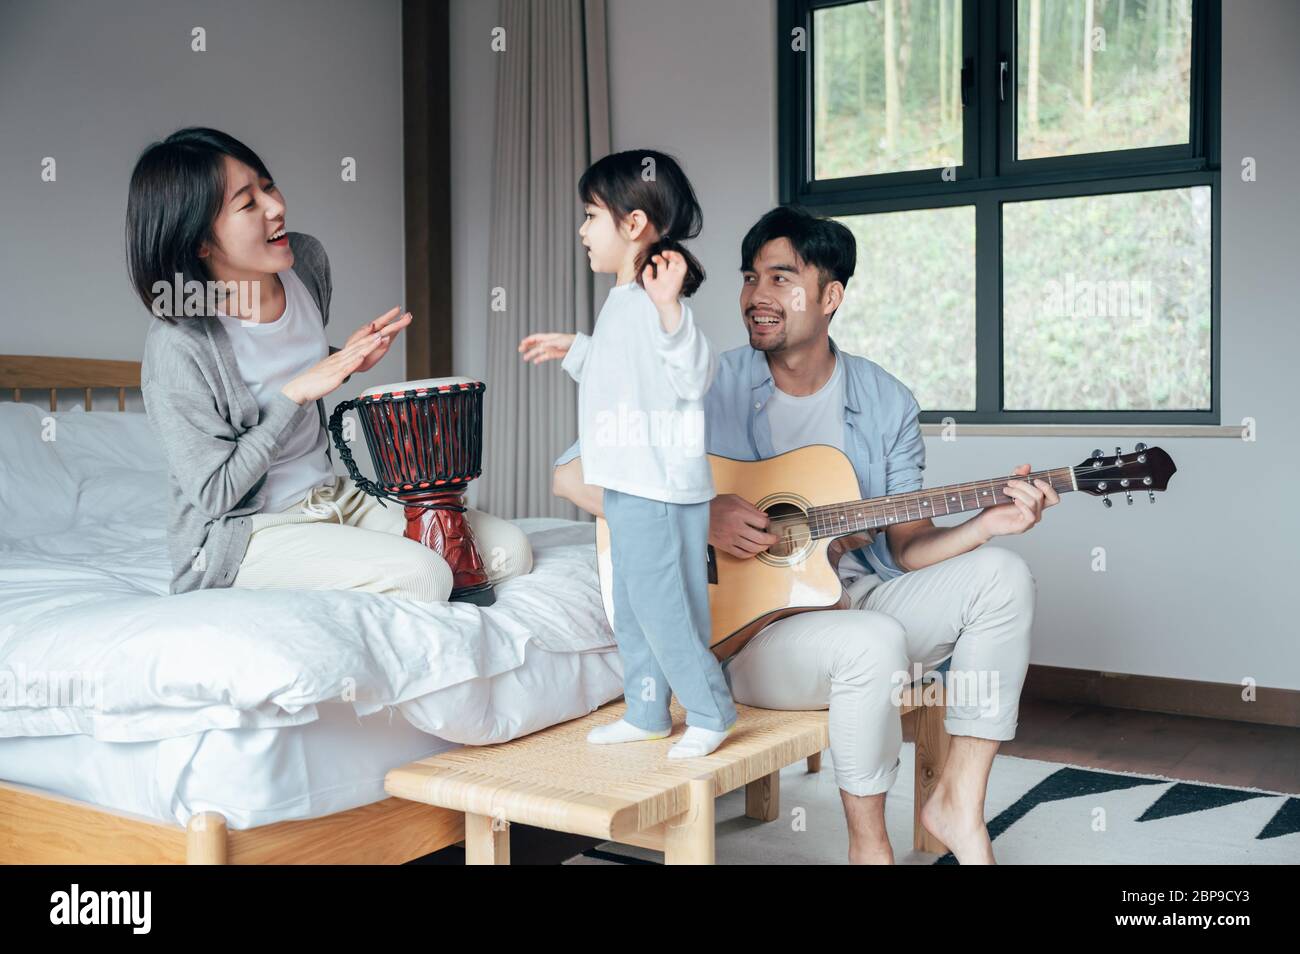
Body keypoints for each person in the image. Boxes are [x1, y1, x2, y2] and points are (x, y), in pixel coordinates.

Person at [553, 206, 1058, 862]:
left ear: (830, 296)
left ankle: (958, 802)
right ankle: (867, 846)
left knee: (1005, 575)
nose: (757, 296)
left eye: (781, 279)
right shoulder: (705, 384)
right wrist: (700, 511)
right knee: (869, 644)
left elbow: (909, 550)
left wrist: (987, 523)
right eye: (749, 278)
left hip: (859, 596)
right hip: (748, 635)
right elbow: (572, 476)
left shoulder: (887, 402)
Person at [129, 127, 531, 600]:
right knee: (425, 574)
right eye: (246, 203)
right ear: (200, 243)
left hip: (333, 496)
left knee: (510, 552)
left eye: (267, 185)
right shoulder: (179, 347)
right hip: (246, 533)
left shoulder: (305, 266)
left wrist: (344, 359)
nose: (275, 207)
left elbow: (284, 359)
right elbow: (216, 493)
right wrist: (298, 392)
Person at [519, 150, 736, 759]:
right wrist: (577, 349)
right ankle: (646, 710)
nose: (584, 230)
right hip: (626, 482)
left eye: (591, 216)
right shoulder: (622, 302)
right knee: (636, 606)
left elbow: (693, 375)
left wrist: (671, 308)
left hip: (659, 489)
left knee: (667, 608)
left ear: (633, 223)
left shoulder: (655, 303)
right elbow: (628, 377)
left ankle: (710, 709)